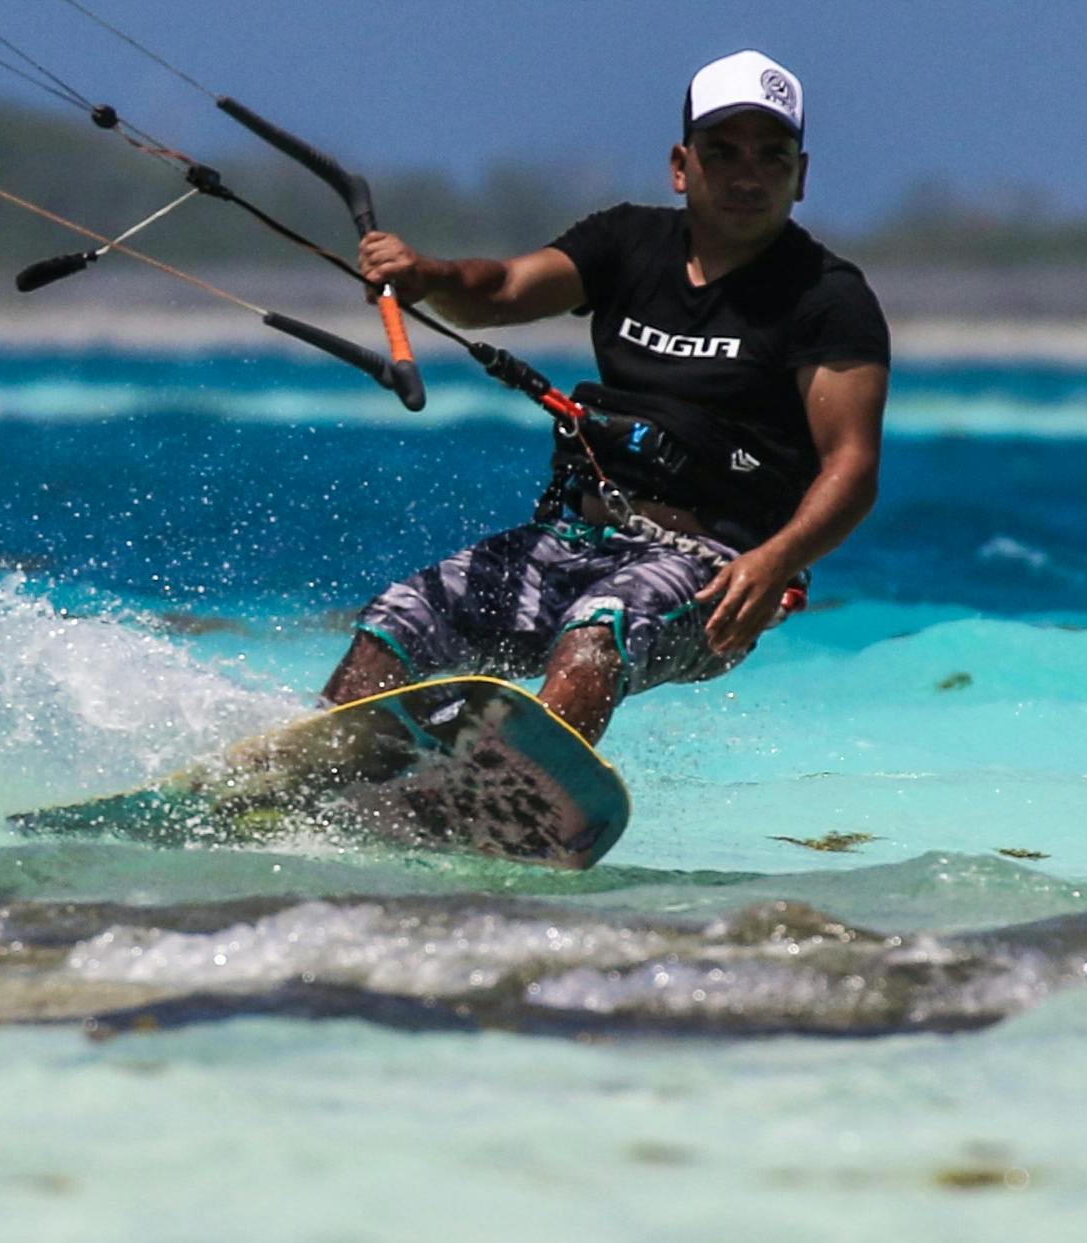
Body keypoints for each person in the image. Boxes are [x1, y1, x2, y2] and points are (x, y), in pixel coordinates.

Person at [323, 50, 890, 741]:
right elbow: (499, 290)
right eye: (724, 153)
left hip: (712, 574)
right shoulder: (626, 241)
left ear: (800, 176)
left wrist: (774, 564)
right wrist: (426, 274)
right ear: (682, 165)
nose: (748, 175)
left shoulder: (829, 299)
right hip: (575, 542)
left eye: (772, 156)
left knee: (597, 635)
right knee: (400, 618)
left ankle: (514, 801)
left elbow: (852, 470)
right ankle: (304, 784)